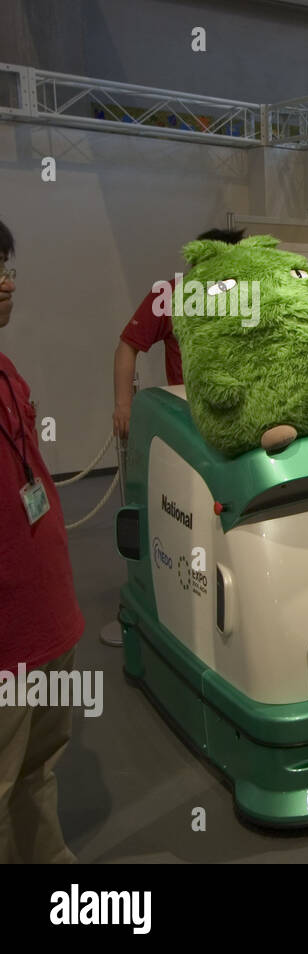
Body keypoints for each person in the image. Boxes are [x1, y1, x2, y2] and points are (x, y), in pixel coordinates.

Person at [0, 219, 83, 863]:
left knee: (38, 769)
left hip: (45, 621)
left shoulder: (7, 371)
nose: (5, 284)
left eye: (8, 267)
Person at [113, 228, 246, 440]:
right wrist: (123, 406)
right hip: (190, 412)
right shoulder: (171, 293)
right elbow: (127, 347)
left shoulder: (248, 294)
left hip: (243, 408)